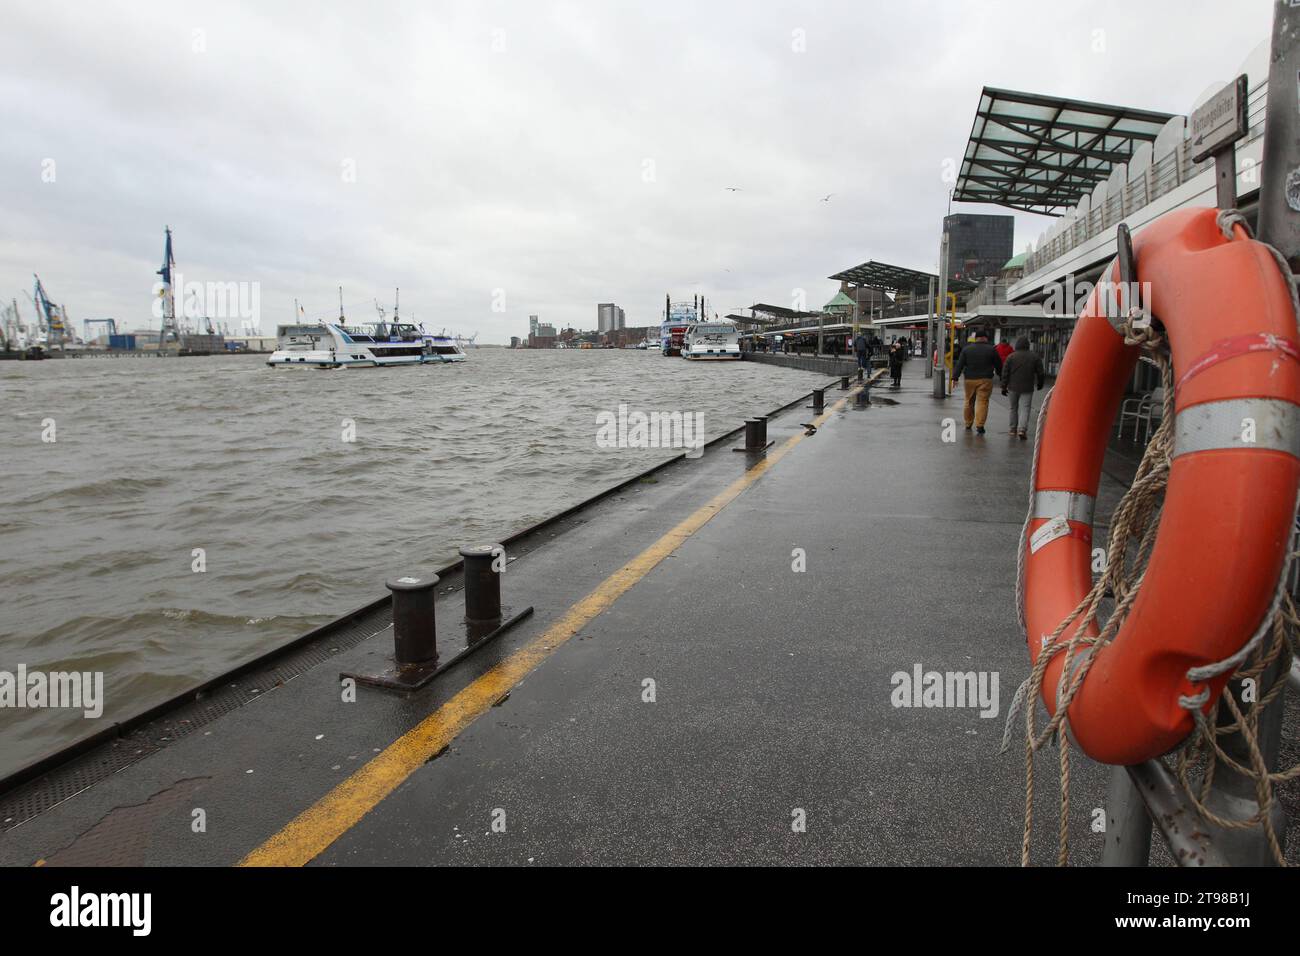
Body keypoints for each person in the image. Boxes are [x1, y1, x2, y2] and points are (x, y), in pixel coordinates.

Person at [951, 329, 1002, 434]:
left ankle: (968, 423)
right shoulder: (991, 350)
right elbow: (999, 365)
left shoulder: (966, 349)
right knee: (982, 402)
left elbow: (959, 364)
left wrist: (955, 377)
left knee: (968, 401)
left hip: (969, 379)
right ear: (985, 338)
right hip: (985, 379)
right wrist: (1002, 377)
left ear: (976, 338)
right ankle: (980, 425)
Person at [1000, 335, 1046, 440]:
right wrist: (1040, 383)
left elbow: (1005, 373)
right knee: (1025, 408)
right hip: (1027, 387)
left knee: (1013, 408)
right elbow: (1041, 372)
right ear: (1027, 345)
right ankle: (1022, 429)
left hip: (1012, 387)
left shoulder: (1011, 357)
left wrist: (1003, 387)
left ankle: (1012, 429)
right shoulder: (1034, 357)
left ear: (1017, 345)